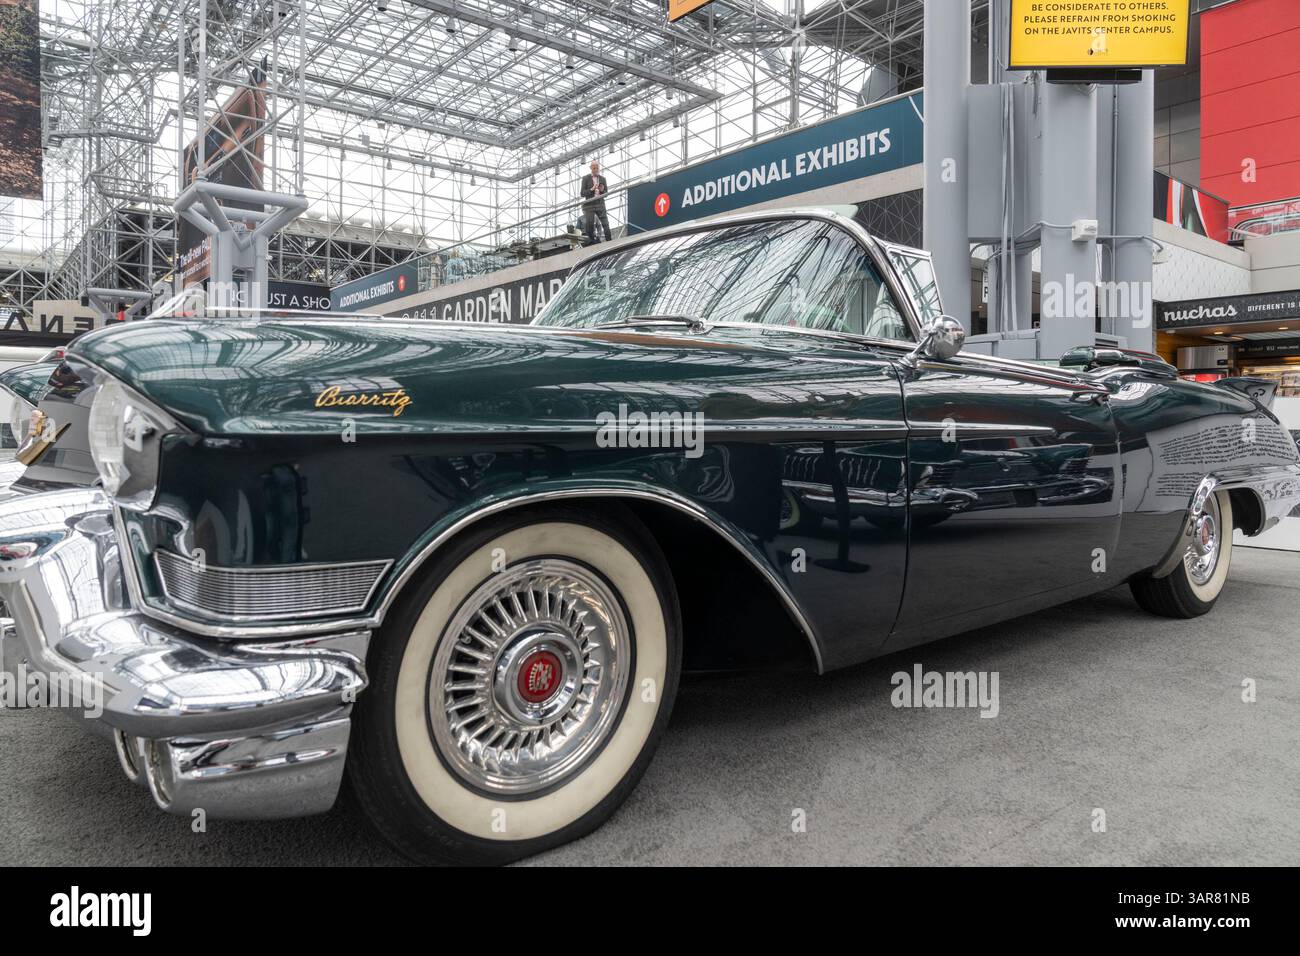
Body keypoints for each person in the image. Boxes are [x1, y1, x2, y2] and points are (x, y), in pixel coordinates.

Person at [580, 161, 612, 244]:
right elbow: (582, 194)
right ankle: (591, 242)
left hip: (600, 203)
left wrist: (602, 190)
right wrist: (592, 189)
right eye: (594, 167)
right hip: (589, 205)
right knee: (589, 225)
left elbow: (606, 194)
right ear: (590, 168)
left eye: (597, 167)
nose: (595, 169)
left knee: (605, 223)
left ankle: (609, 241)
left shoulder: (602, 179)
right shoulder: (585, 178)